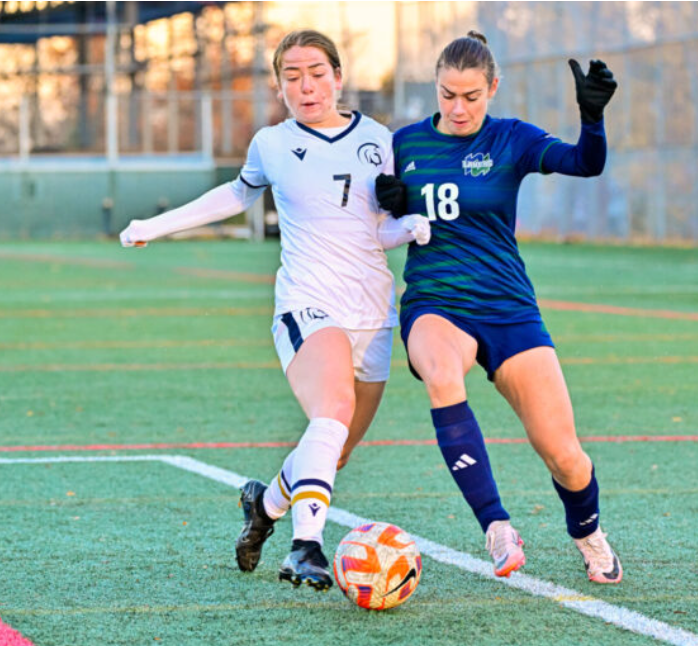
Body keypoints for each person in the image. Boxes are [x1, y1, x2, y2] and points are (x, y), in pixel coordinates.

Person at [119, 29, 430, 591]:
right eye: (292, 76)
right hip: (308, 305)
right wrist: (153, 226)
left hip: (374, 313)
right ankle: (306, 546)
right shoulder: (273, 143)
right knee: (331, 409)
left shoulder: (382, 140)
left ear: (338, 76)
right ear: (280, 85)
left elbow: (376, 231)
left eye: (316, 73)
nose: (306, 86)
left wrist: (410, 224)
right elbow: (233, 196)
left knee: (332, 451)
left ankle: (263, 507)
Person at [375, 31, 621, 584]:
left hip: (509, 308)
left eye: (471, 97)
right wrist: (384, 204)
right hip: (436, 302)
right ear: (435, 88)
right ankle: (496, 526)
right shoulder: (404, 144)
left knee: (565, 456)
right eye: (447, 95)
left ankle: (588, 533)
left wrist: (593, 117)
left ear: (493, 88)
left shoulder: (511, 139)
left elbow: (586, 163)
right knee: (441, 375)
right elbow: (367, 215)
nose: (458, 108)